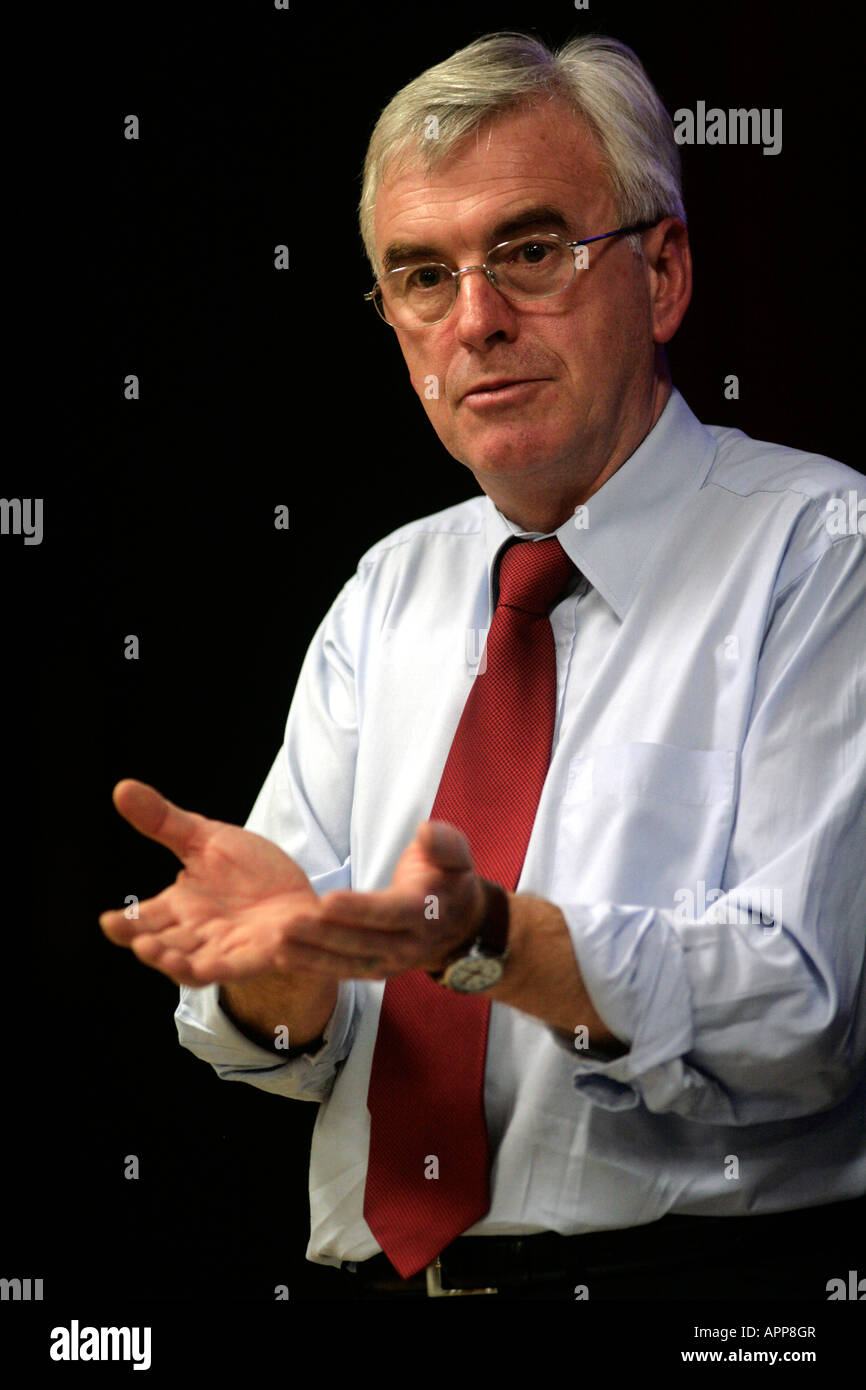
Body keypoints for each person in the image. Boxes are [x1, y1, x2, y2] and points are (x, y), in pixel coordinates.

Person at [100, 32, 865, 1300]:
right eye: (419, 276)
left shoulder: (823, 550)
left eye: (528, 250)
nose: (475, 321)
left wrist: (494, 941)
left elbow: (806, 1013)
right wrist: (277, 963)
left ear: (662, 272)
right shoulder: (385, 589)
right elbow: (302, 1046)